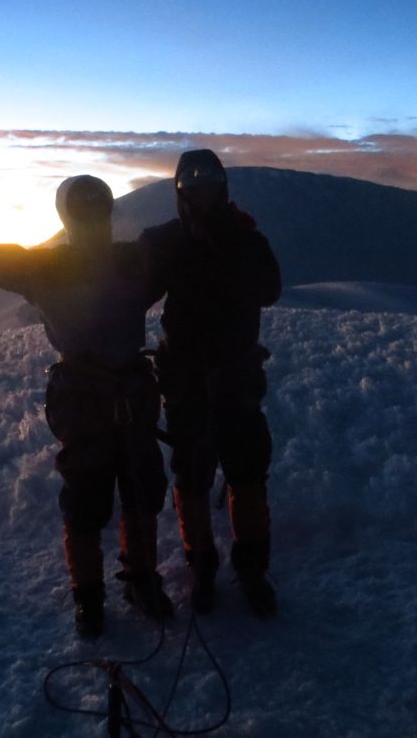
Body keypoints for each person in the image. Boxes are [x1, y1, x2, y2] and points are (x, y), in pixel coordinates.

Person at [0, 176, 172, 638]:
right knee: (114, 492)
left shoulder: (54, 266)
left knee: (126, 490)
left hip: (93, 394)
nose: (90, 218)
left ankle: (108, 593)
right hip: (113, 392)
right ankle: (116, 588)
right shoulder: (131, 259)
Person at [139, 149, 281, 617]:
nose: (202, 188)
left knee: (242, 472)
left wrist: (229, 241)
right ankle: (206, 569)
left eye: (209, 180)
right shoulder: (171, 242)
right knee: (198, 475)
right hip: (193, 378)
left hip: (230, 375)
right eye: (193, 181)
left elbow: (268, 289)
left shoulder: (240, 238)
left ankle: (248, 568)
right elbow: (135, 290)